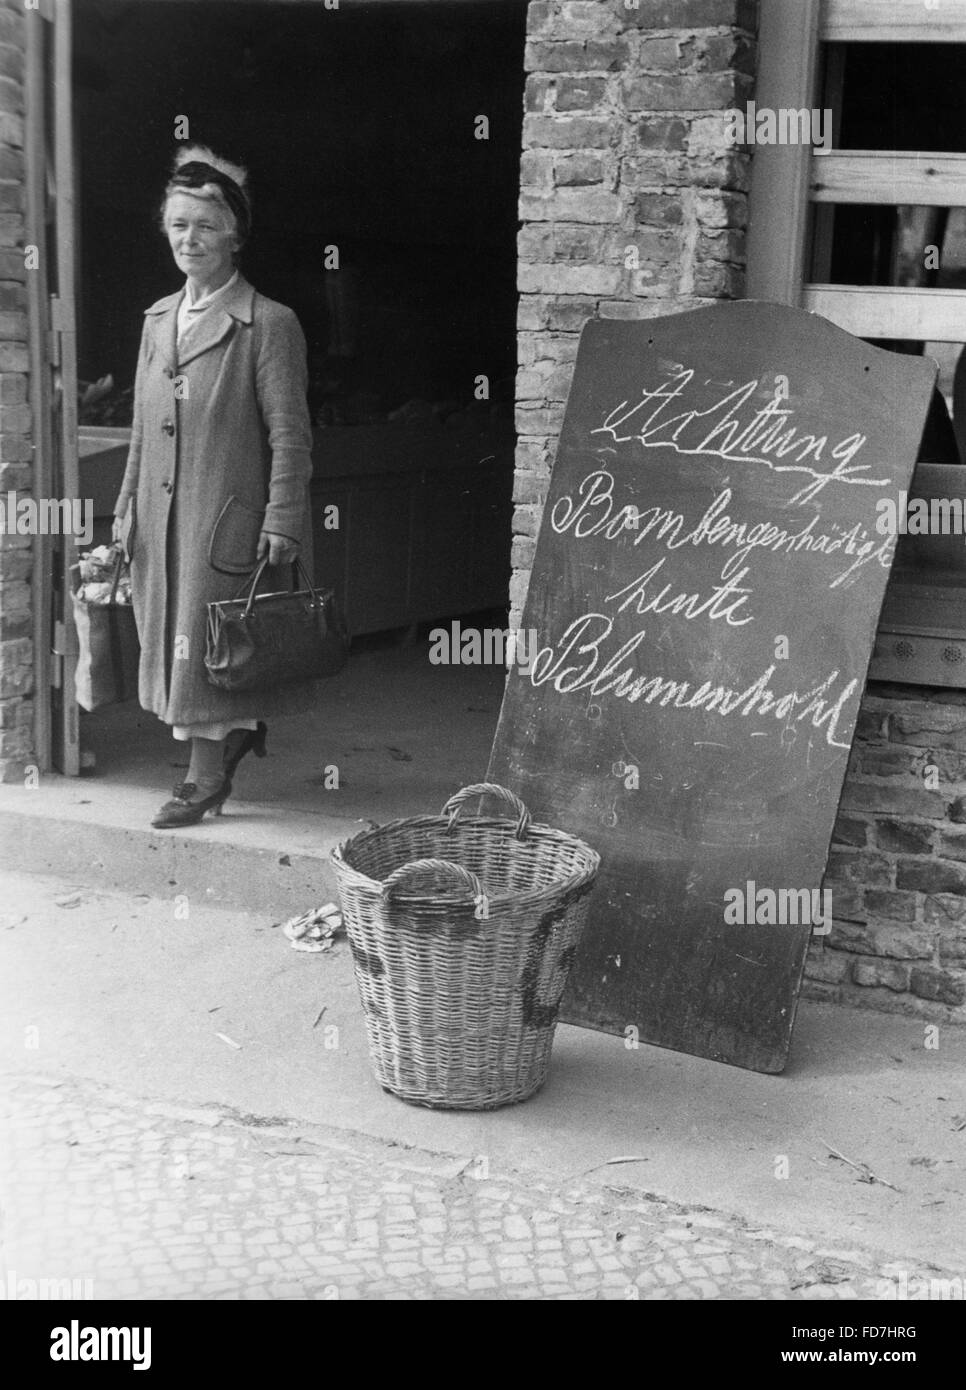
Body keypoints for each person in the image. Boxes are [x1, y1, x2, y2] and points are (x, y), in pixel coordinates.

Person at [112, 145, 315, 827]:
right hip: (158, 514)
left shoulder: (269, 324)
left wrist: (282, 518)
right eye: (177, 226)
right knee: (171, 638)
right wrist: (123, 512)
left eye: (203, 225)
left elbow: (290, 433)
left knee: (205, 644)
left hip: (223, 514)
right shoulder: (156, 321)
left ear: (233, 234)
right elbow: (143, 429)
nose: (188, 240)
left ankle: (203, 780)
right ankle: (231, 738)